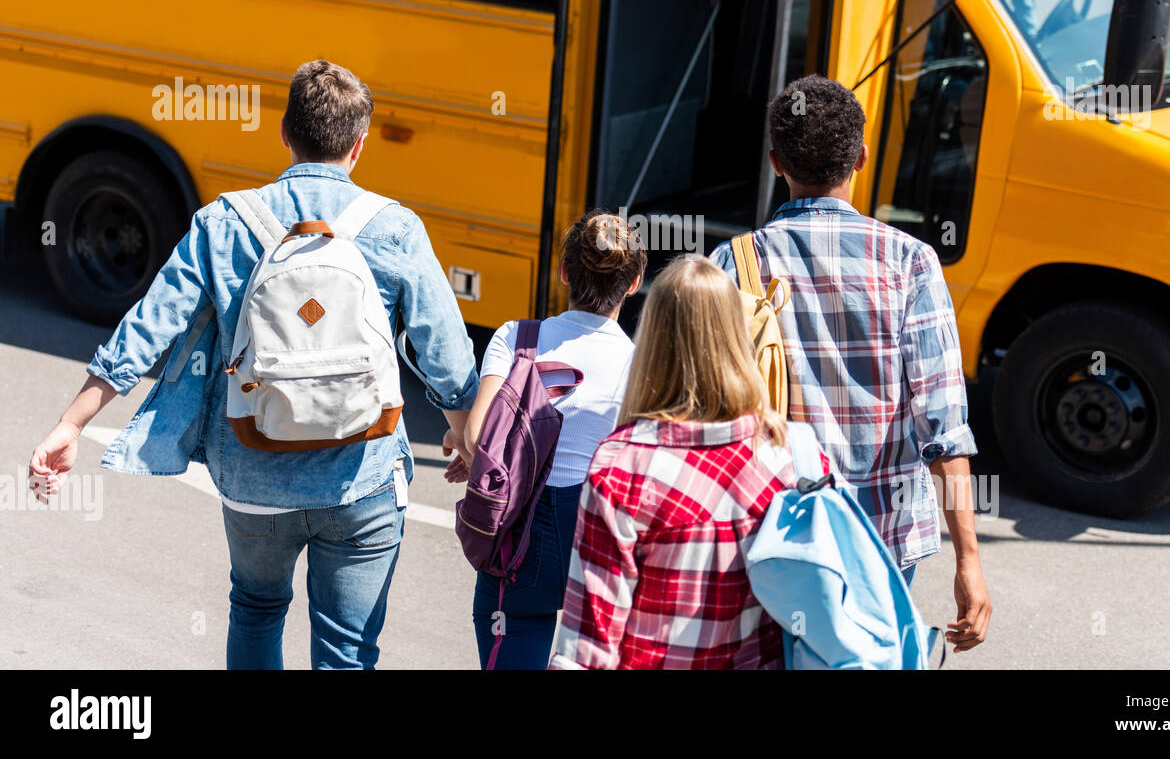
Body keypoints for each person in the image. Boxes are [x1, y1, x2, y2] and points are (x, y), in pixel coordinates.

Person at [27, 60, 479, 669]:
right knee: (346, 649)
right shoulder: (396, 229)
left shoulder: (225, 222)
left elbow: (149, 327)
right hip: (363, 476)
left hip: (253, 470)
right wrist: (462, 431)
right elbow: (446, 355)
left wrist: (72, 424)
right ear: (360, 144)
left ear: (285, 134)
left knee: (257, 610)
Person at [710, 75, 992, 653]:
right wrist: (969, 560)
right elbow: (942, 425)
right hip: (879, 541)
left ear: (774, 163)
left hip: (769, 534)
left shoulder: (729, 263)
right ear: (861, 157)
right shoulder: (911, 262)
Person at [550, 255, 831, 670]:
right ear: (737, 340)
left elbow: (589, 648)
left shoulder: (621, 468)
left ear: (653, 341)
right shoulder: (799, 457)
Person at [449, 210, 645, 670]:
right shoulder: (641, 360)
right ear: (634, 282)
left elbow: (478, 435)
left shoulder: (517, 338)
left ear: (562, 273)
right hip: (600, 532)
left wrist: (460, 440)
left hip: (522, 532)